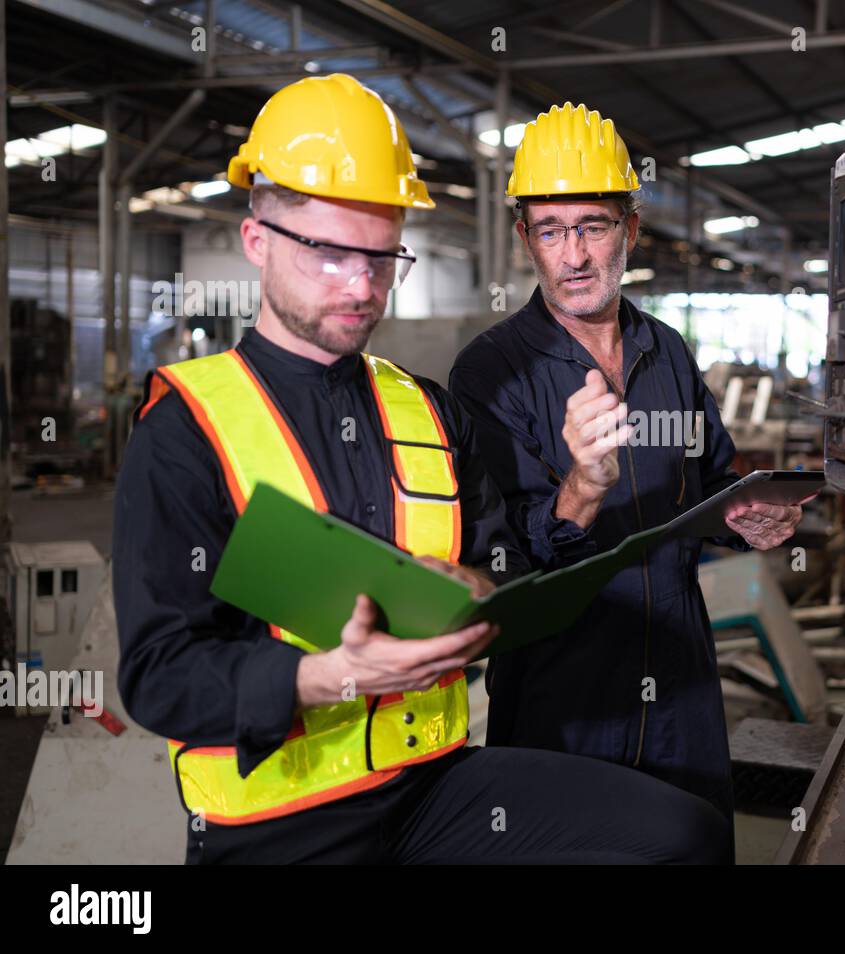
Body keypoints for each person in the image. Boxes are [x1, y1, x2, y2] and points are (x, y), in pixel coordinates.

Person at [112, 75, 730, 864]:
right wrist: (322, 675)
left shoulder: (429, 412)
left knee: (684, 836)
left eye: (381, 255)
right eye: (328, 252)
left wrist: (474, 590)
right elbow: (161, 678)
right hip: (279, 829)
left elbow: (511, 566)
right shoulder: (186, 429)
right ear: (256, 240)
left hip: (432, 790)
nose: (361, 284)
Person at [450, 103, 805, 822]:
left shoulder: (666, 350)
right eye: (551, 230)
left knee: (694, 837)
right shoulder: (490, 372)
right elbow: (498, 564)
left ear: (631, 230)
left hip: (679, 677)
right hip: (563, 694)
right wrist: (581, 488)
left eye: (594, 226)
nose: (574, 255)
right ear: (525, 239)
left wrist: (750, 519)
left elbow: (711, 482)